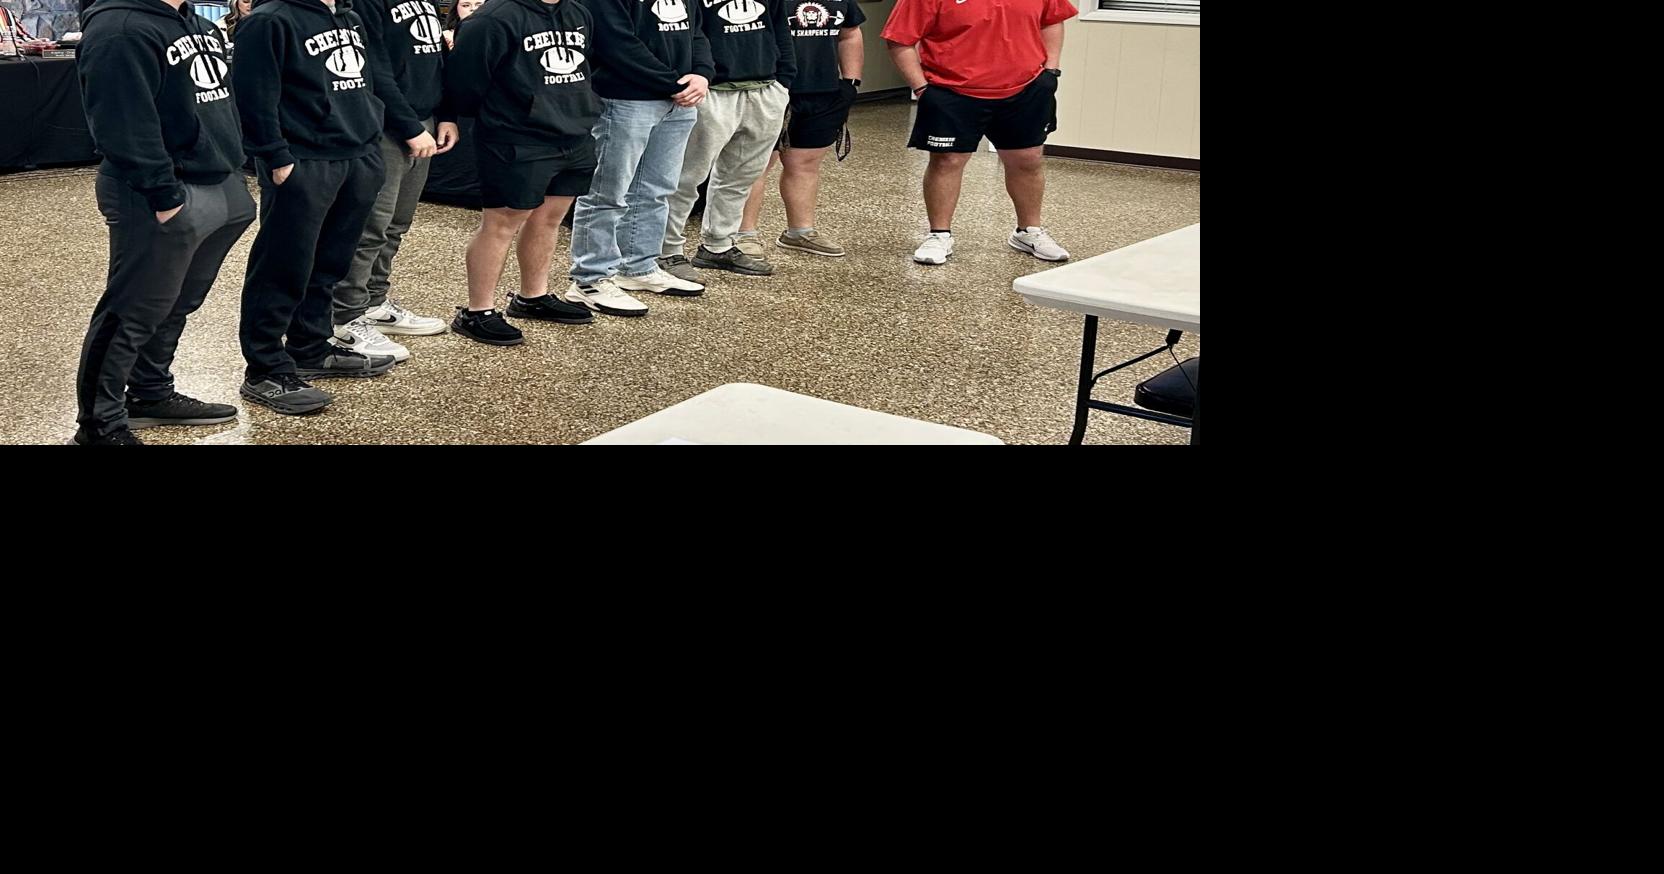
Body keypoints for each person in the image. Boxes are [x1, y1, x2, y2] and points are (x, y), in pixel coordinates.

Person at [72, 0, 254, 445]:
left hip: (216, 180)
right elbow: (120, 120)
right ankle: (100, 424)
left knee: (176, 302)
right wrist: (161, 191)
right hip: (160, 191)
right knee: (131, 310)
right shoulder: (120, 28)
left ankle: (150, 393)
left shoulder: (193, 19)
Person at [881, 0, 1076, 266]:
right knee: (947, 161)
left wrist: (1051, 70)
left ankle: (1028, 231)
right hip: (951, 90)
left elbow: (1052, 19)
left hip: (1026, 88)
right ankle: (939, 234)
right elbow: (899, 40)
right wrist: (921, 88)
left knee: (1027, 159)